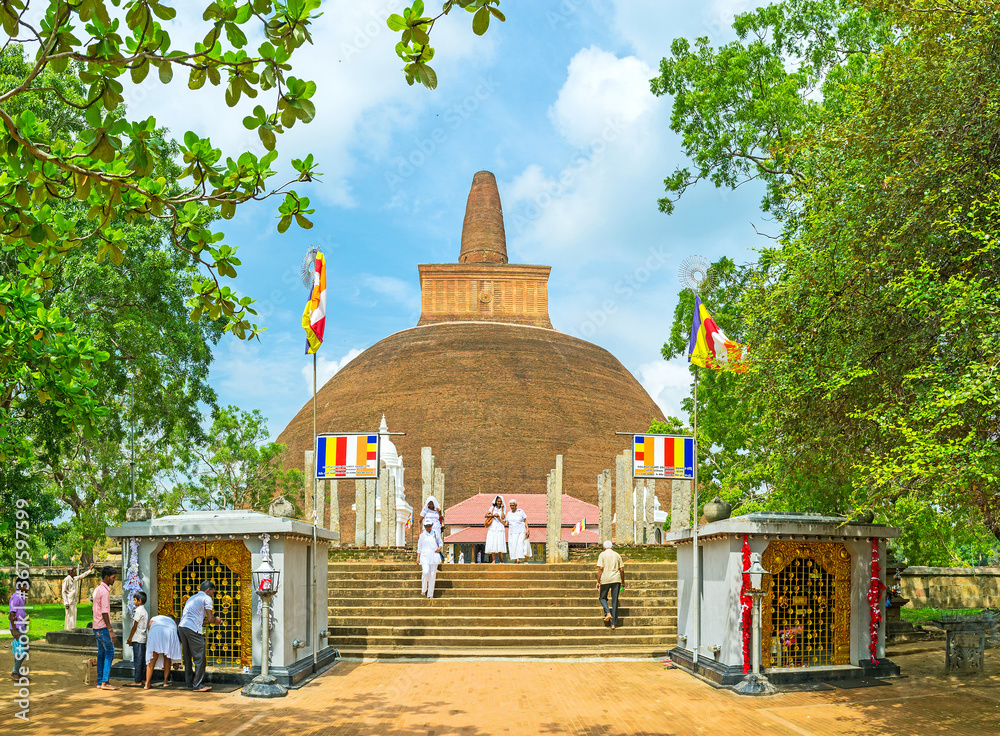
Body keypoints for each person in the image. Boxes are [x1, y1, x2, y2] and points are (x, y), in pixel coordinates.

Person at [177, 580, 222, 692]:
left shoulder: (192, 598)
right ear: (208, 590)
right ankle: (198, 685)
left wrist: (210, 621)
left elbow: (200, 621)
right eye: (212, 591)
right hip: (192, 629)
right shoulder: (207, 598)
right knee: (200, 657)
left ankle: (189, 682)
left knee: (187, 656)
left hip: (182, 627)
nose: (213, 594)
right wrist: (216, 620)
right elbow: (210, 618)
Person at [92, 565, 119, 690]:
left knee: (101, 654)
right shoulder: (104, 591)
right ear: (106, 577)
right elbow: (104, 612)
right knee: (110, 653)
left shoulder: (97, 589)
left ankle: (99, 681)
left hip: (96, 626)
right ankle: (105, 682)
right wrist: (110, 630)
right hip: (103, 627)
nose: (114, 580)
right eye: (113, 578)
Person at [144, 613, 181, 689]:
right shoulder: (173, 623)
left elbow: (150, 625)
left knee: (152, 658)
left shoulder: (156, 617)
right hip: (169, 631)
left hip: (155, 631)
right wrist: (176, 662)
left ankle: (147, 684)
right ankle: (165, 682)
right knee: (167, 657)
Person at [596, 541, 625, 630]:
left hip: (605, 579)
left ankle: (608, 613)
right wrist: (623, 582)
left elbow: (601, 568)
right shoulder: (617, 555)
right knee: (615, 601)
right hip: (616, 579)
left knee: (602, 598)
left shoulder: (602, 555)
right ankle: (614, 624)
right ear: (612, 547)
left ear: (604, 547)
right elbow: (621, 570)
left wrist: (598, 581)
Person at [125, 592, 148, 687]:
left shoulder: (139, 611)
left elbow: (134, 626)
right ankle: (142, 679)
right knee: (142, 660)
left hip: (137, 638)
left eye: (135, 600)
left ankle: (137, 680)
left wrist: (130, 638)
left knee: (138, 661)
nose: (133, 601)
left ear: (140, 601)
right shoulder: (145, 611)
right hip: (142, 638)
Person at [62, 563, 95, 630]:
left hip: (73, 600)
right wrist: (66, 602)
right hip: (69, 600)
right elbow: (63, 592)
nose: (76, 572)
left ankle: (73, 628)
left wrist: (90, 570)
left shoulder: (74, 578)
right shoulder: (66, 579)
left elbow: (82, 576)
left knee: (73, 615)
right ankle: (68, 629)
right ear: (70, 572)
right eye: (74, 571)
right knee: (69, 616)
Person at [8, 574, 28, 682]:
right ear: (20, 586)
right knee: (24, 650)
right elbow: (11, 614)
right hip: (17, 628)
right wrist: (15, 630)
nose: (27, 588)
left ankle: (18, 673)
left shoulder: (21, 597)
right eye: (26, 586)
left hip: (21, 626)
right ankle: (15, 672)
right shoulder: (16, 597)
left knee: (20, 650)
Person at [416, 521, 443, 598]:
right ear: (424, 527)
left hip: (434, 557)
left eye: (429, 526)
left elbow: (440, 543)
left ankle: (430, 594)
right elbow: (419, 548)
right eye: (426, 526)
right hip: (424, 557)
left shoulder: (435, 533)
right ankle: (424, 589)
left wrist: (439, 548)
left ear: (431, 526)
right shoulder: (422, 536)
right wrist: (418, 557)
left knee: (432, 576)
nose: (428, 528)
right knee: (425, 572)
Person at [505, 499, 530, 564]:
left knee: (520, 543)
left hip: (521, 530)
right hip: (512, 531)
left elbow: (525, 520)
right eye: (510, 506)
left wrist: (527, 529)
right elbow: (506, 523)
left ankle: (521, 559)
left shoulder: (520, 511)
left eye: (513, 505)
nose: (512, 507)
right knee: (513, 545)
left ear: (516, 505)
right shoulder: (509, 513)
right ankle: (516, 559)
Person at [484, 494, 507, 563]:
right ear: (496, 501)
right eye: (498, 501)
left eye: (500, 501)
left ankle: (500, 557)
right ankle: (493, 559)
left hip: (500, 526)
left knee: (499, 541)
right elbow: (486, 515)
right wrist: (493, 515)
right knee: (492, 541)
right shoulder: (492, 508)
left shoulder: (503, 508)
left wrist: (502, 509)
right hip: (492, 526)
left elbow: (503, 517)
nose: (499, 503)